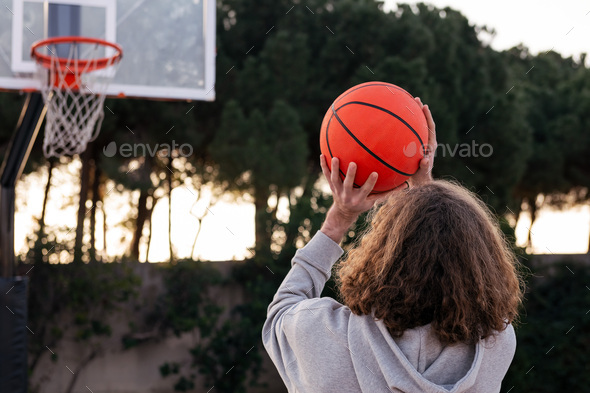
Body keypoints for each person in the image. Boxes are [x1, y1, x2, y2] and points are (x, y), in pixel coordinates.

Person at [262, 98, 524, 393]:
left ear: (379, 257)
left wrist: (338, 220)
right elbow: (442, 249)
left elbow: (280, 313)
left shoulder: (324, 334)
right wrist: (423, 189)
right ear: (484, 265)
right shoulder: (495, 346)